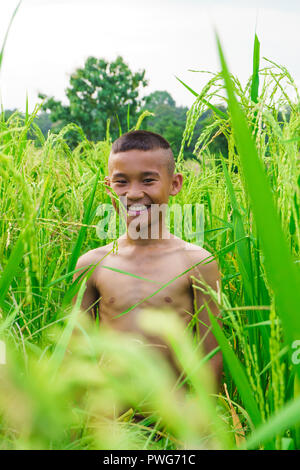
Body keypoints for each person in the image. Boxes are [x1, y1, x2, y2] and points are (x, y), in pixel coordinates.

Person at [72, 130, 222, 388]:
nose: (133, 193)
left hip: (174, 417)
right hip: (111, 418)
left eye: (148, 180)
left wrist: (196, 423)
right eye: (121, 182)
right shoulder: (93, 263)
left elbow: (212, 357)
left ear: (175, 184)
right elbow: (74, 351)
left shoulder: (197, 263)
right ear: (108, 186)